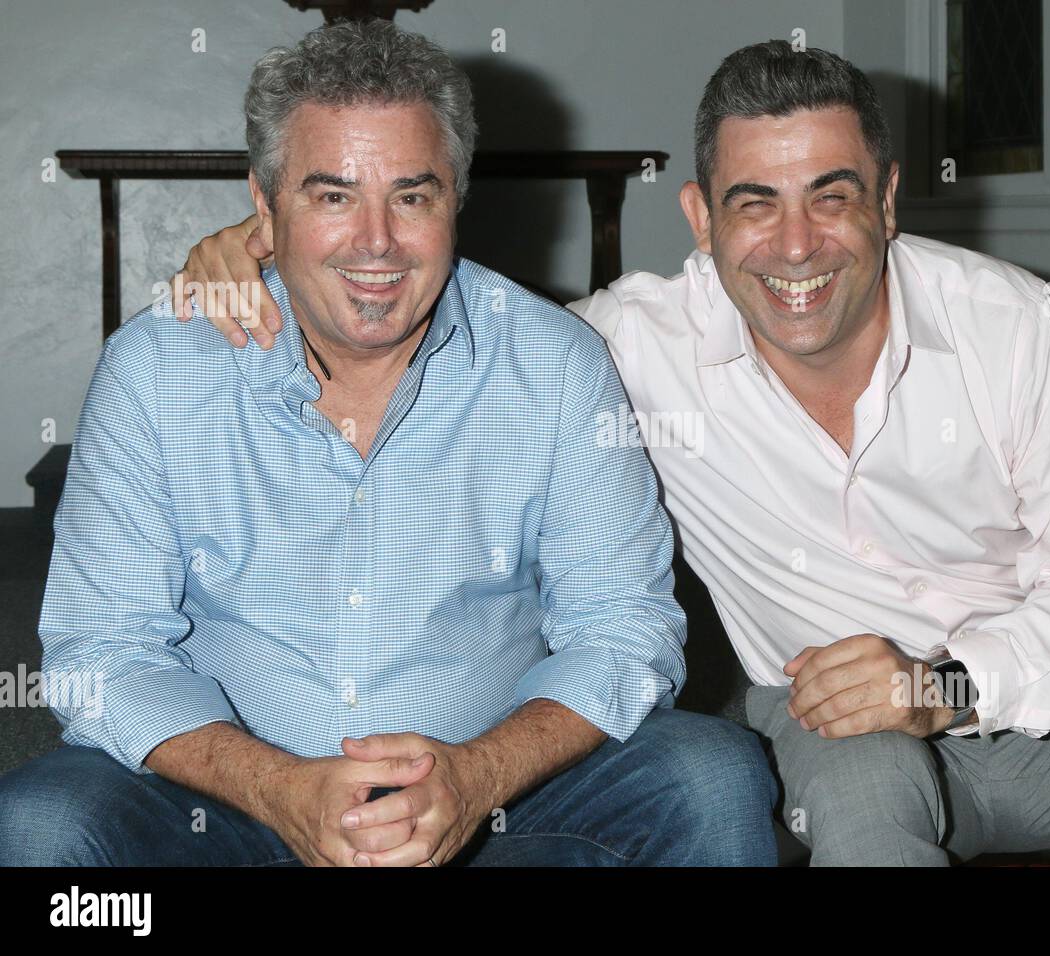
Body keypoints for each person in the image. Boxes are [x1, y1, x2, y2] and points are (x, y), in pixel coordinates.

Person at [166, 39, 1050, 866]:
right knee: (862, 808)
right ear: (701, 219)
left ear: (889, 202)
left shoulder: (1016, 325)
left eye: (831, 196)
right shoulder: (619, 346)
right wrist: (258, 243)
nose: (794, 244)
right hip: (827, 721)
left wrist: (945, 682)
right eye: (755, 203)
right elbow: (428, 309)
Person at [0, 20, 779, 868]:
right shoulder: (154, 369)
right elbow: (101, 653)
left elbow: (626, 630)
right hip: (224, 812)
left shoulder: (555, 365)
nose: (376, 241)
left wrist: (477, 776)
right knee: (42, 823)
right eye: (333, 196)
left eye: (411, 196)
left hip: (492, 816)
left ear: (456, 197)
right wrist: (277, 788)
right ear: (264, 207)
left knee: (711, 777)